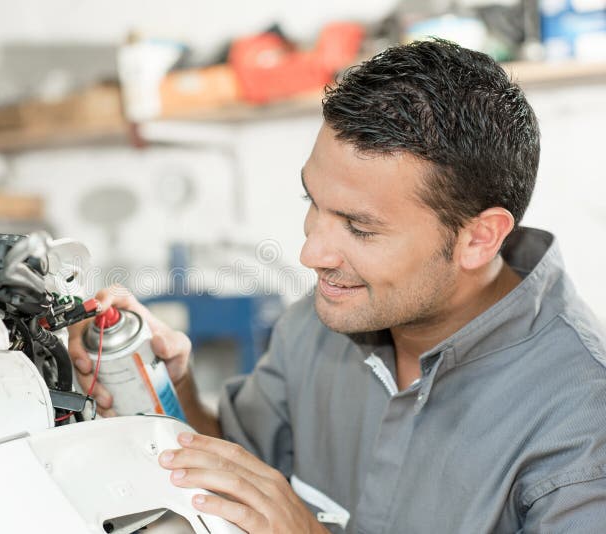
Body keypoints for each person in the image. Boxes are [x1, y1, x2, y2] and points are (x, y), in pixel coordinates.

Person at [69, 39, 606, 533]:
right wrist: (167, 384)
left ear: (479, 238)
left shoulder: (582, 420)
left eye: (360, 228)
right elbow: (241, 465)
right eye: (313, 204)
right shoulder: (324, 317)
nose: (311, 255)